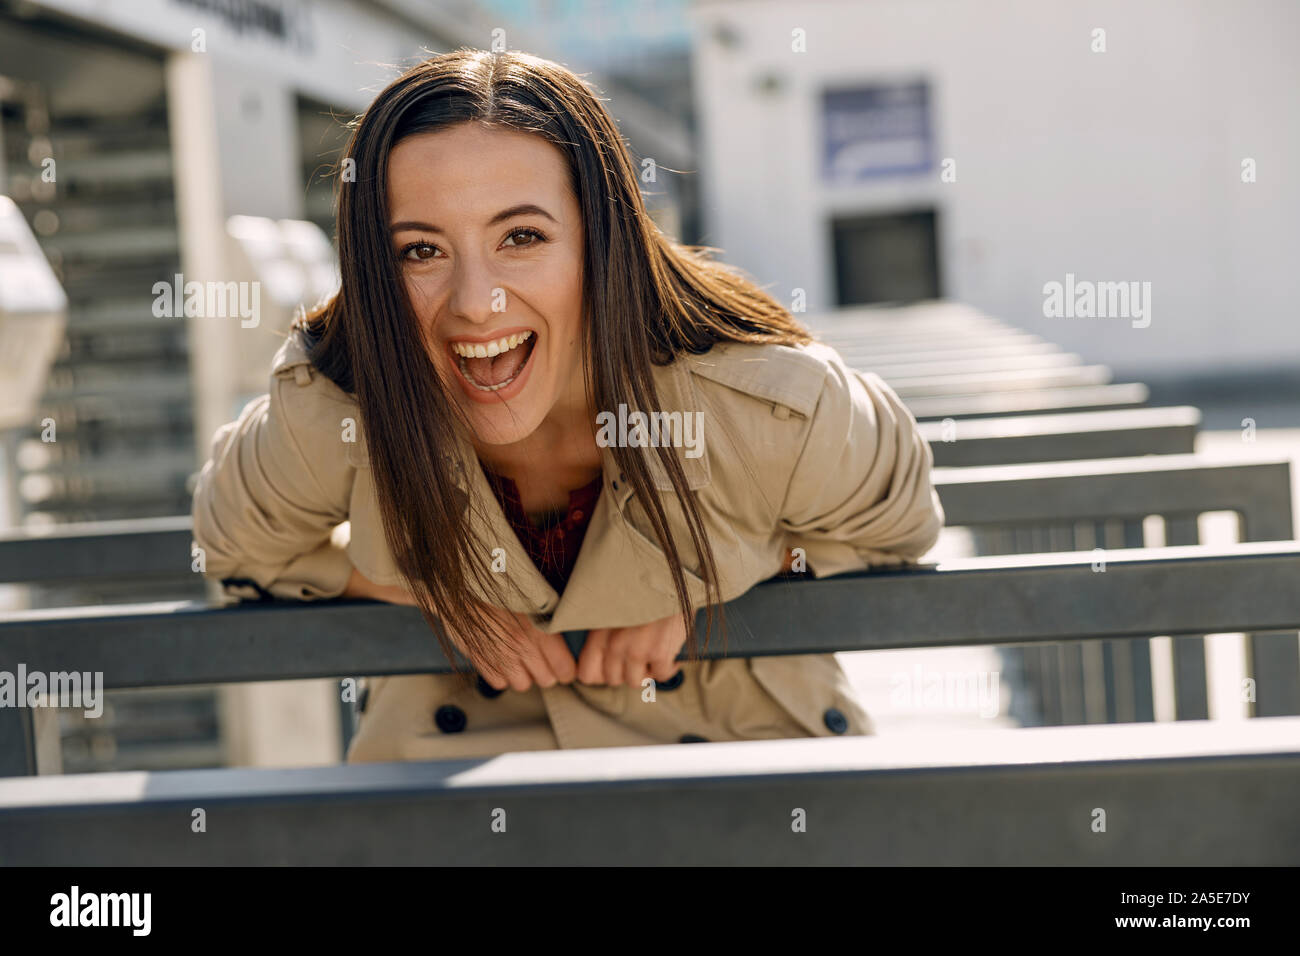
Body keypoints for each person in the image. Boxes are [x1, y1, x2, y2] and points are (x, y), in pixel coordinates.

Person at [190, 48, 945, 762]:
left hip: (741, 789)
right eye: (419, 250)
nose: (475, 304)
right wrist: (426, 590)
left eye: (521, 236)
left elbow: (900, 524)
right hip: (455, 805)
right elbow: (238, 550)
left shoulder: (764, 400)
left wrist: (720, 575)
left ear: (601, 239)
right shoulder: (343, 405)